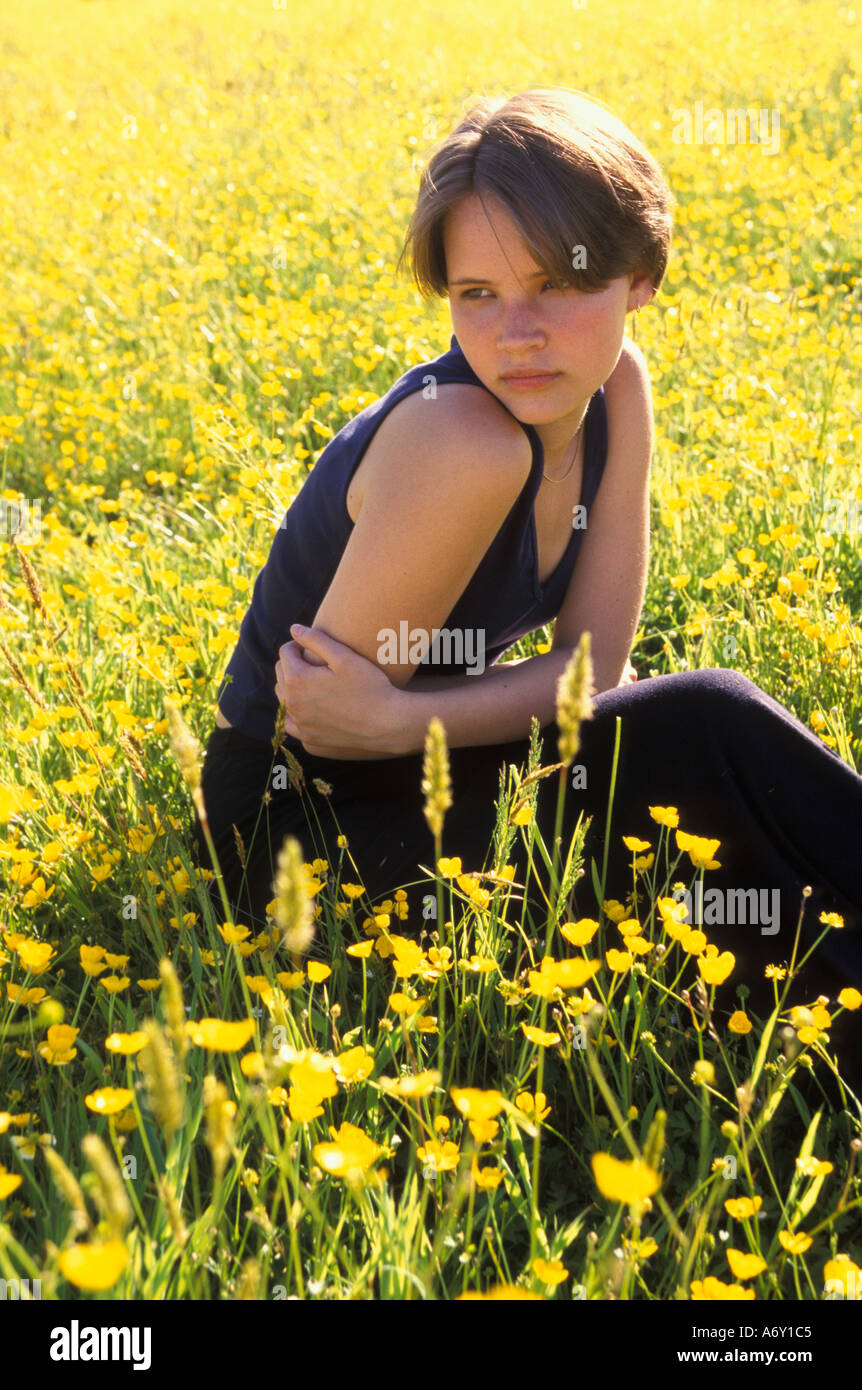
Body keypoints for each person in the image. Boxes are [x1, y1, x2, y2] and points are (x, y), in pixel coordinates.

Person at [190, 89, 861, 1067]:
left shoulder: (618, 389)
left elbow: (593, 668)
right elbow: (329, 733)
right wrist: (410, 724)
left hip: (419, 761)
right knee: (696, 737)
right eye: (477, 294)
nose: (517, 333)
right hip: (300, 832)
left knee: (708, 760)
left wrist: (404, 720)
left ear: (639, 278)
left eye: (556, 284)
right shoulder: (462, 441)